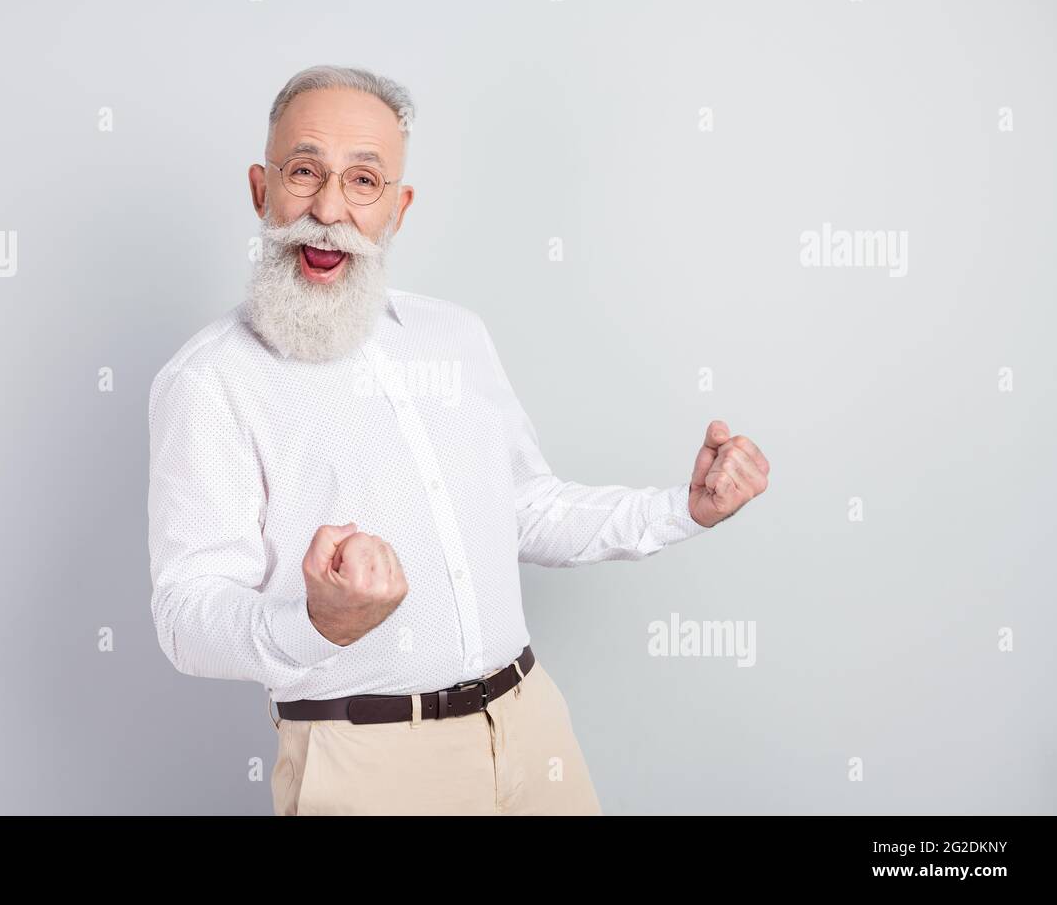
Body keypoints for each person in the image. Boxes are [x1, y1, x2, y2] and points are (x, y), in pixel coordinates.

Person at [146, 64, 771, 815]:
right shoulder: (211, 381)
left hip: (532, 729)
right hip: (367, 765)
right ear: (262, 189)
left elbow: (525, 509)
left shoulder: (455, 336)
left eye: (364, 182)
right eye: (305, 172)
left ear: (398, 209)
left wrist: (684, 509)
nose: (330, 209)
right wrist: (317, 625)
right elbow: (187, 617)